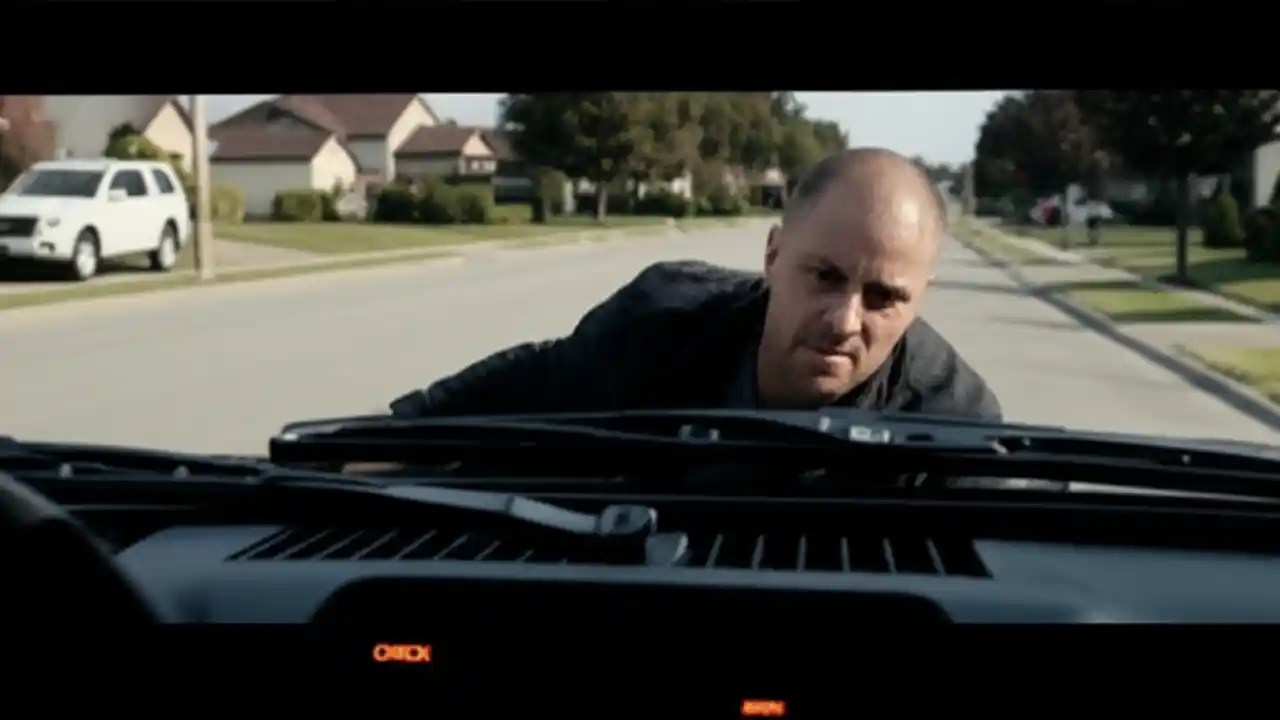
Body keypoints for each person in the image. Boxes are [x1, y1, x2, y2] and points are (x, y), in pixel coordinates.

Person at [389, 147, 1002, 421]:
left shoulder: (952, 412)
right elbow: (540, 380)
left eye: (884, 298)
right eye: (825, 277)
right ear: (773, 253)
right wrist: (393, 436)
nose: (845, 320)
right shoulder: (662, 320)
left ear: (920, 298)